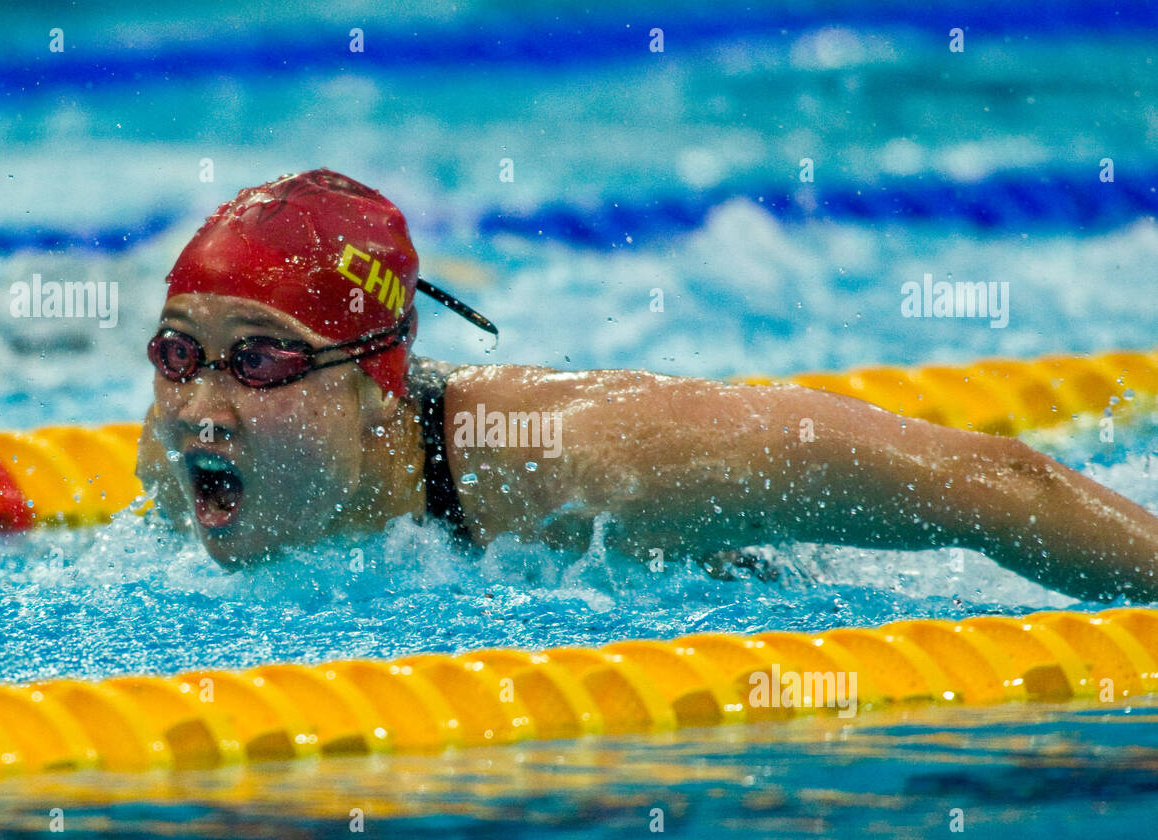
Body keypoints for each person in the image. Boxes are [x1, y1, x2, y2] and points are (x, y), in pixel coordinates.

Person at [136, 168, 1158, 603]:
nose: (200, 408)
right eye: (178, 352)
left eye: (259, 360)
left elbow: (998, 486)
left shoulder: (584, 458)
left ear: (376, 386)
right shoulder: (181, 451)